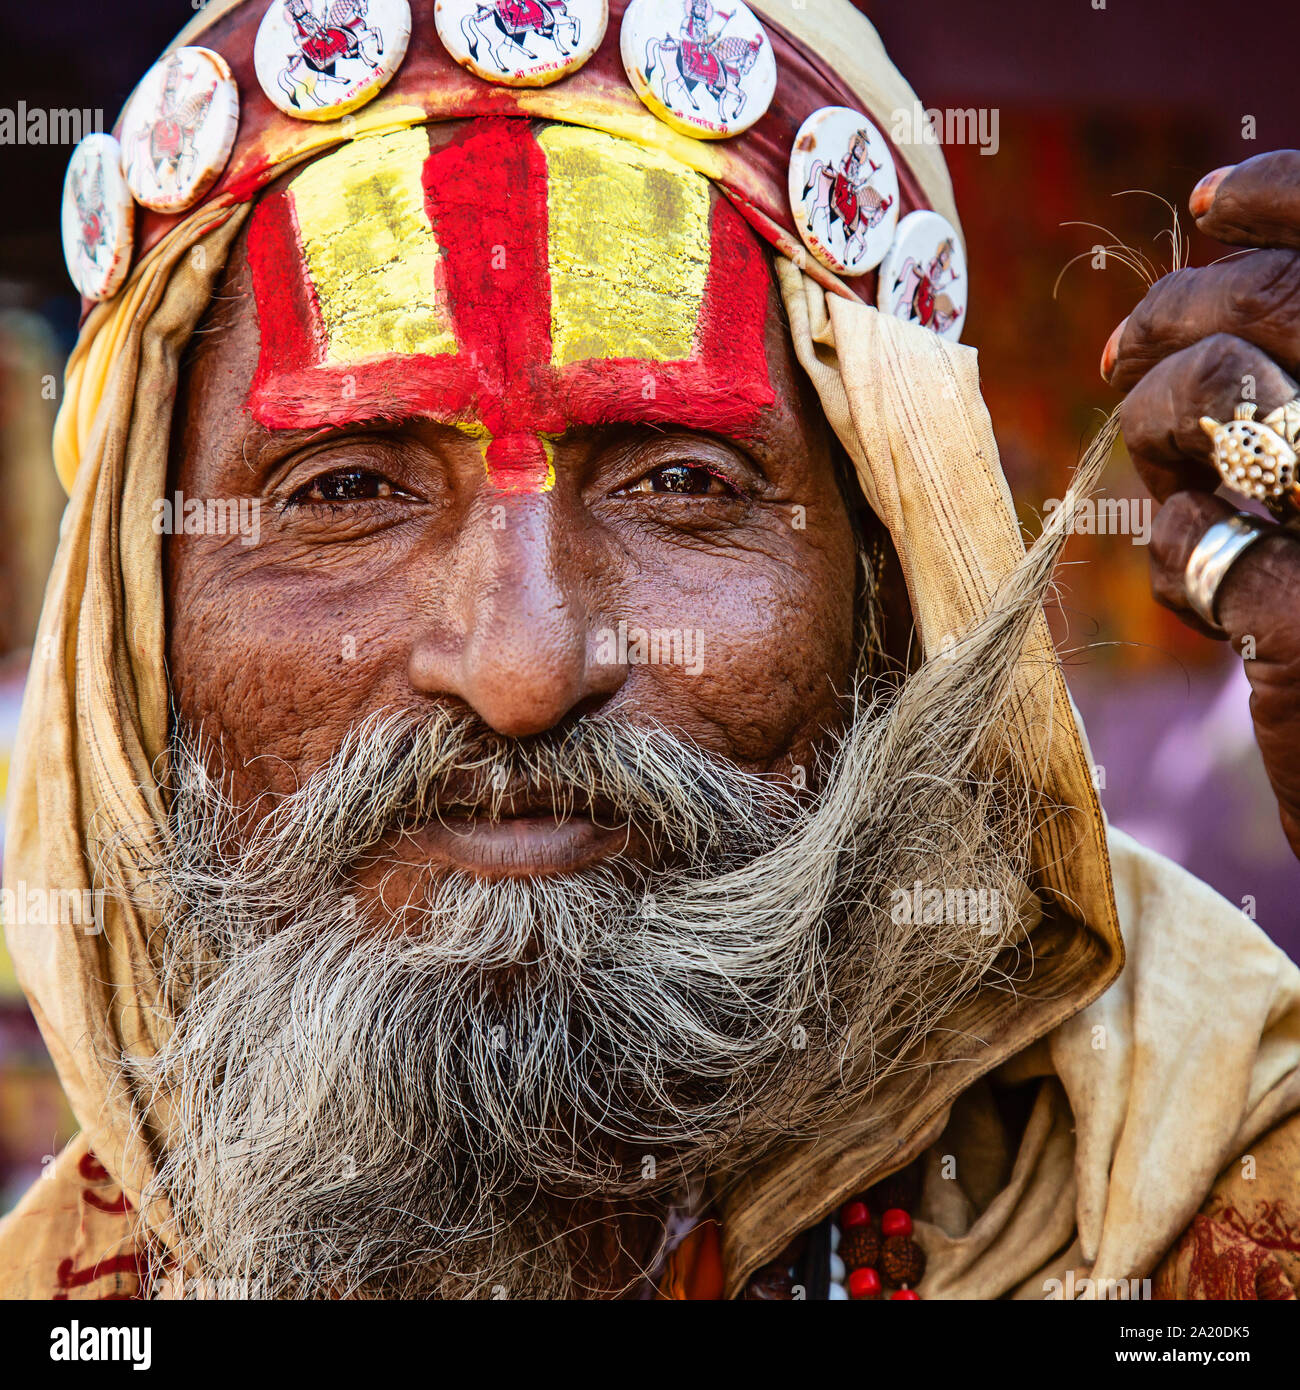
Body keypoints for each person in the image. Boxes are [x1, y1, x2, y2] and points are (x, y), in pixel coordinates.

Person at [2, 0, 1298, 1300]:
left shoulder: (1212, 1204)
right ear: (137, 616)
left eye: (682, 478)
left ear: (897, 586)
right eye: (343, 490)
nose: (520, 671)